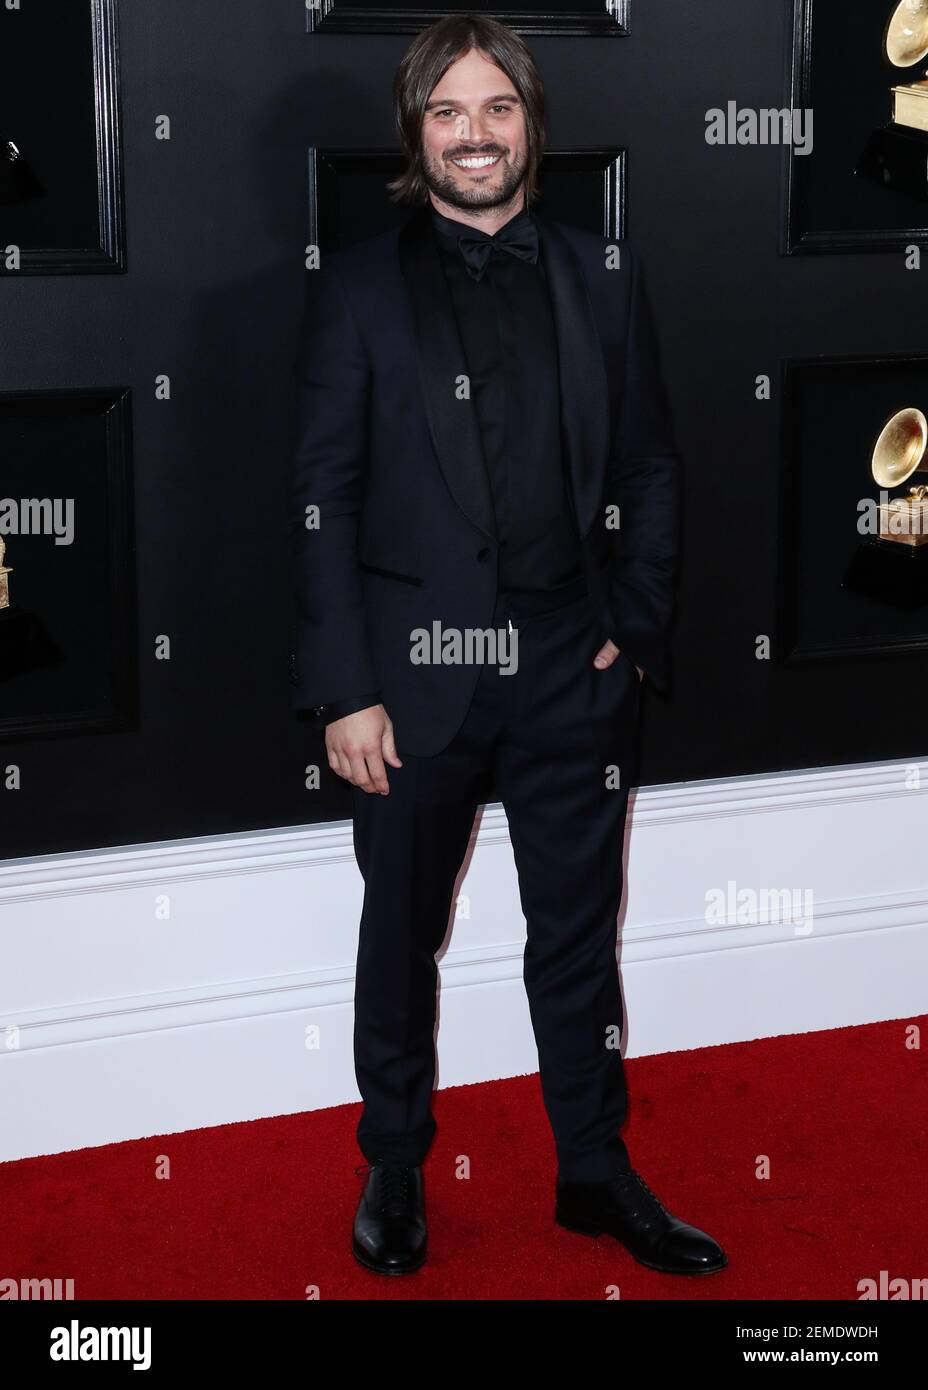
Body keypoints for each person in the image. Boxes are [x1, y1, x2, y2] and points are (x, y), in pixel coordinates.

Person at [289, 12, 726, 1279]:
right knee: (399, 930)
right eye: (448, 112)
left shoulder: (602, 271)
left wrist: (629, 628)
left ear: (530, 124)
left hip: (567, 667)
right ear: (415, 133)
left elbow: (650, 466)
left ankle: (593, 1171)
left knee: (579, 934)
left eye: (496, 109)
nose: (474, 135)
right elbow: (319, 497)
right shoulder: (359, 285)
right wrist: (345, 690)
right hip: (408, 674)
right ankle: (394, 1162)